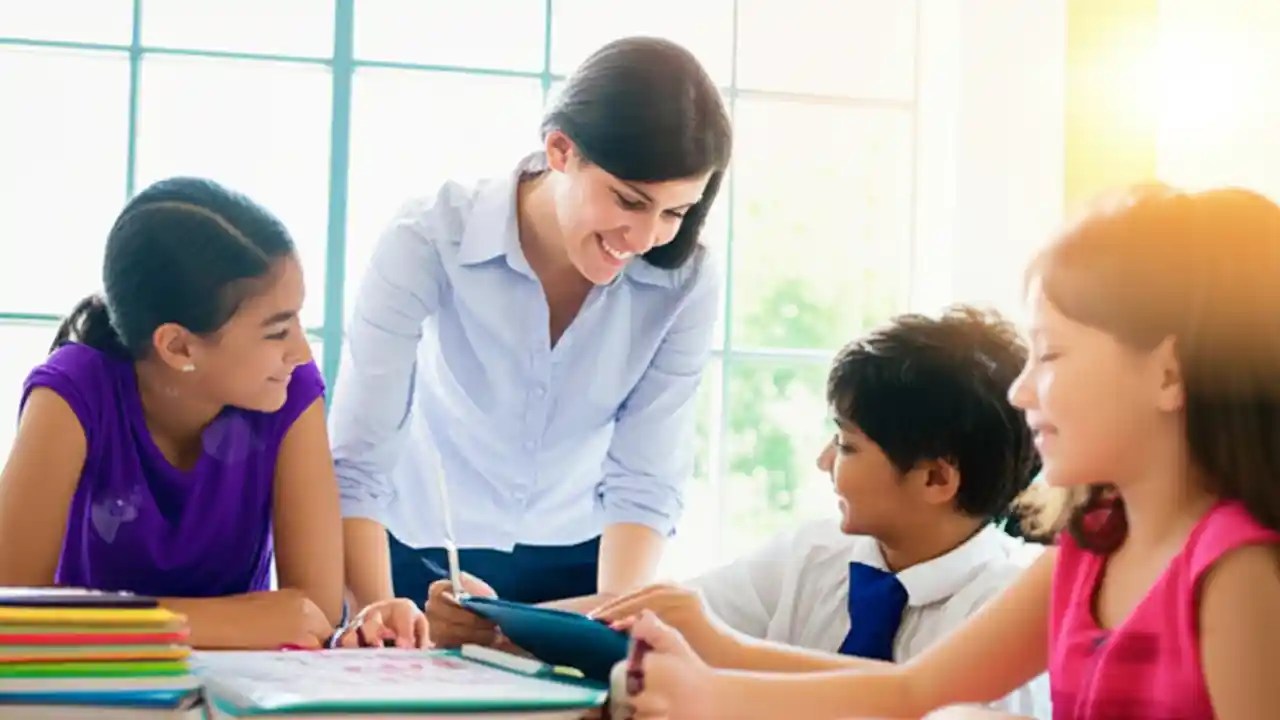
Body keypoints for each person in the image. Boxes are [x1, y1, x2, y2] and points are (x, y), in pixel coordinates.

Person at [617, 185, 1280, 719]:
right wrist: (711, 689)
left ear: (1167, 374)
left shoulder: (1237, 571)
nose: (1022, 391)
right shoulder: (1091, 551)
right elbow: (913, 691)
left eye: (1051, 354)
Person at [427, 307, 1048, 716]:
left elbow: (912, 701)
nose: (823, 461)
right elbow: (658, 614)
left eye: (847, 446)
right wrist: (501, 626)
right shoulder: (815, 553)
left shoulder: (1009, 605)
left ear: (936, 478)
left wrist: (719, 650)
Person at [330, 34, 733, 628]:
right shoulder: (429, 237)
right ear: (561, 149)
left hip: (586, 571)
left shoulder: (684, 281)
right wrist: (376, 613)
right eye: (629, 201)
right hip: (412, 558)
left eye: (674, 212)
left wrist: (604, 625)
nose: (646, 238)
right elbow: (358, 460)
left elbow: (645, 480)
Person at [0, 177, 346, 650]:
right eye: (277, 331)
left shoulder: (290, 389)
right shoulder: (74, 391)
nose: (301, 352)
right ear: (178, 346)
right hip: (91, 681)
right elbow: (11, 607)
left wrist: (109, 619)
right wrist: (223, 622)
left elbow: (315, 612)